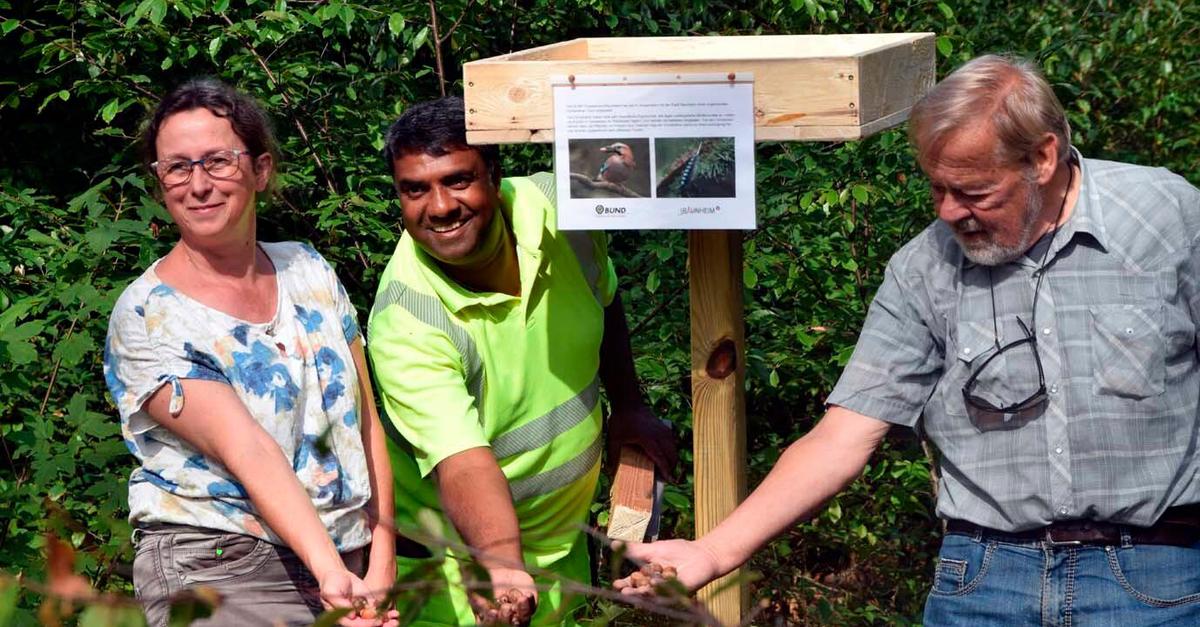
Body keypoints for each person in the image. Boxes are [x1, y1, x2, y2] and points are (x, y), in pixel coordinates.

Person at [615, 54, 1200, 625]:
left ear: (1043, 158)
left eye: (973, 192)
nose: (948, 212)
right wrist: (715, 551)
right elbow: (842, 436)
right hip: (985, 579)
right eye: (937, 188)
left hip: (1157, 572)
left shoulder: (1167, 219)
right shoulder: (924, 269)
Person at [366, 96, 677, 626]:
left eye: (457, 180)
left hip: (559, 552)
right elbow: (462, 460)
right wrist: (505, 566)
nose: (439, 207)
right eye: (415, 189)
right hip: (462, 580)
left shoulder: (561, 209)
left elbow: (602, 292)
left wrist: (628, 404)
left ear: (494, 175)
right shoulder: (407, 319)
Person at [103, 79, 399, 627]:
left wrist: (381, 557)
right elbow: (247, 450)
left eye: (217, 161)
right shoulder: (147, 315)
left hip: (345, 560)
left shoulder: (308, 269)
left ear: (260, 170)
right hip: (222, 562)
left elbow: (365, 422)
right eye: (177, 168)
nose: (198, 185)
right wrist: (331, 572)